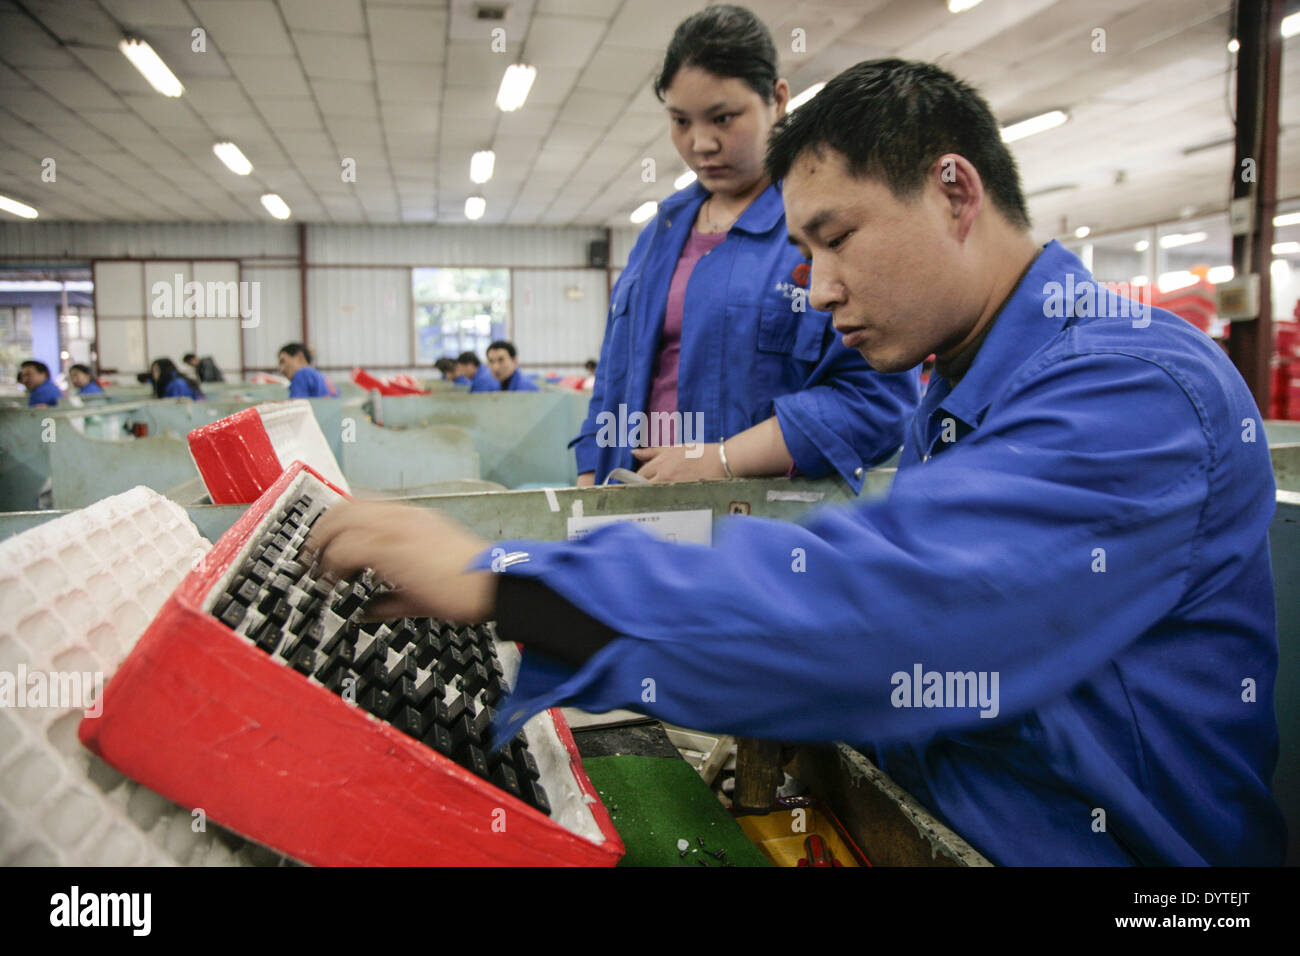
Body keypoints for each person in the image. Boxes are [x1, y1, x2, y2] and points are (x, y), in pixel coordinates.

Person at [307, 59, 1285, 867]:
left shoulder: (1135, 389)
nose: (815, 292)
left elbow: (899, 609)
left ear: (954, 193)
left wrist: (510, 585)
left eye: (836, 240)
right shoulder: (965, 383)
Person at [573, 6, 918, 490]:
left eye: (723, 117)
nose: (701, 144)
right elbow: (613, 377)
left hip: (756, 521)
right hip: (631, 503)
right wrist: (589, 481)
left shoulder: (822, 232)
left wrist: (723, 459)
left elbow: (876, 403)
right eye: (680, 121)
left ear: (777, 99)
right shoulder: (659, 234)